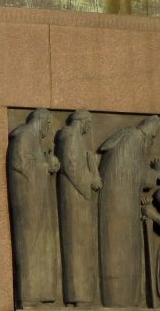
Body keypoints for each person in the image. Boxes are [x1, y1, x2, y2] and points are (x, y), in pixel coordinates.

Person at [96, 115, 160, 307]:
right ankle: (122, 300)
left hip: (121, 203)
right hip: (120, 207)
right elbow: (134, 173)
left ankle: (124, 298)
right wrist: (159, 174)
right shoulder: (133, 139)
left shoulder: (128, 137)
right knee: (121, 251)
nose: (151, 143)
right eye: (152, 139)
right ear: (149, 134)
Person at [7, 108, 61, 308]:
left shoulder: (32, 140)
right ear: (41, 121)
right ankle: (30, 295)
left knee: (42, 246)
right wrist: (46, 165)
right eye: (48, 125)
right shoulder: (23, 137)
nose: (48, 130)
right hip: (29, 205)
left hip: (38, 202)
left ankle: (41, 293)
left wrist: (47, 163)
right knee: (31, 246)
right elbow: (21, 165)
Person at [55, 110, 103, 308]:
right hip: (75, 199)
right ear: (82, 122)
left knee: (82, 244)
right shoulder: (71, 136)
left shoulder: (73, 138)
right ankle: (78, 296)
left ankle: (81, 295)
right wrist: (91, 180)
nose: (89, 127)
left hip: (78, 199)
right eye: (88, 123)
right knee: (77, 245)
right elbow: (71, 166)